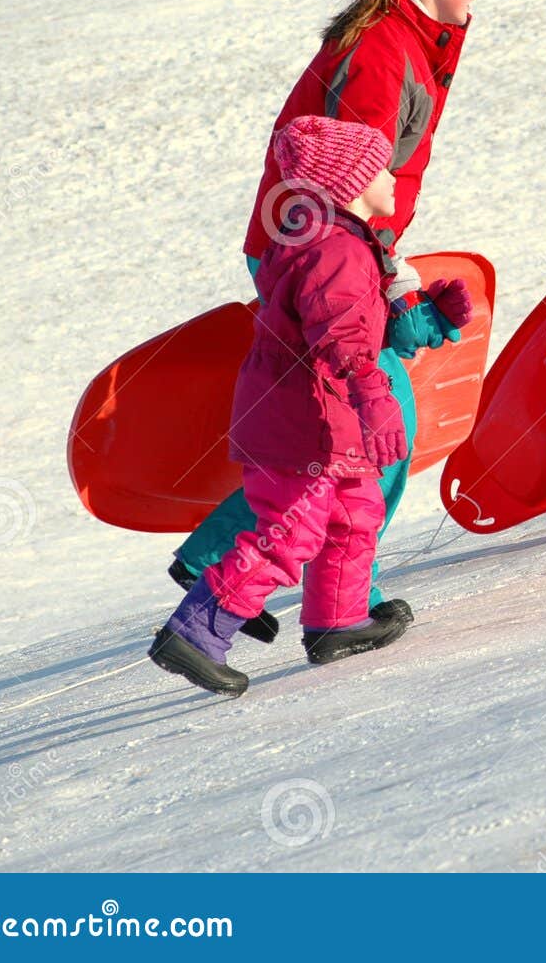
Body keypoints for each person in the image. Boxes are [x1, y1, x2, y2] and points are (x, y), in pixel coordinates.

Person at [170, 0, 487, 637]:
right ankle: (335, 598)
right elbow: (351, 176)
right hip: (321, 250)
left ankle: (241, 567)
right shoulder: (382, 50)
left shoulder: (412, 37)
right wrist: (388, 275)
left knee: (338, 429)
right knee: (376, 424)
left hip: (326, 245)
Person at [149, 117, 449, 696]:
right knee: (290, 532)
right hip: (302, 424)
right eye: (381, 168)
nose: (393, 177)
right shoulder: (335, 250)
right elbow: (341, 337)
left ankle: (338, 621)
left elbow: (357, 324)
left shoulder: (342, 242)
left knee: (355, 514)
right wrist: (375, 396)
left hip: (326, 419)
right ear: (352, 183)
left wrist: (433, 317)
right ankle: (195, 634)